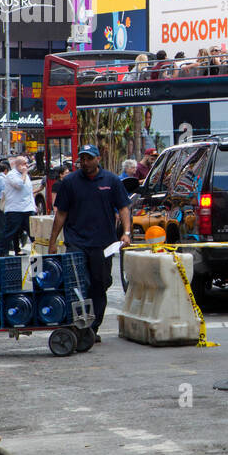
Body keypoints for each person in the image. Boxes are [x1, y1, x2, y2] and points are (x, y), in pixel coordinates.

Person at [48, 145, 132, 343]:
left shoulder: (111, 180)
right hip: (76, 242)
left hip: (103, 244)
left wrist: (127, 233)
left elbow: (124, 208)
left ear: (98, 159)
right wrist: (52, 242)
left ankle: (93, 328)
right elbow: (61, 214)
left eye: (89, 158)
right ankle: (78, 325)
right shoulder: (69, 182)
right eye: (82, 159)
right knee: (78, 285)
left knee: (99, 284)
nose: (85, 163)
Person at [0, 156, 37, 256]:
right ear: (18, 165)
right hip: (15, 209)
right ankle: (2, 253)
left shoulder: (26, 176)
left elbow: (29, 191)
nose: (26, 166)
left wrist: (33, 205)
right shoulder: (11, 175)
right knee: (9, 232)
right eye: (24, 164)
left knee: (33, 233)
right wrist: (24, 173)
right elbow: (19, 185)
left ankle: (36, 253)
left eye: (27, 164)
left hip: (27, 208)